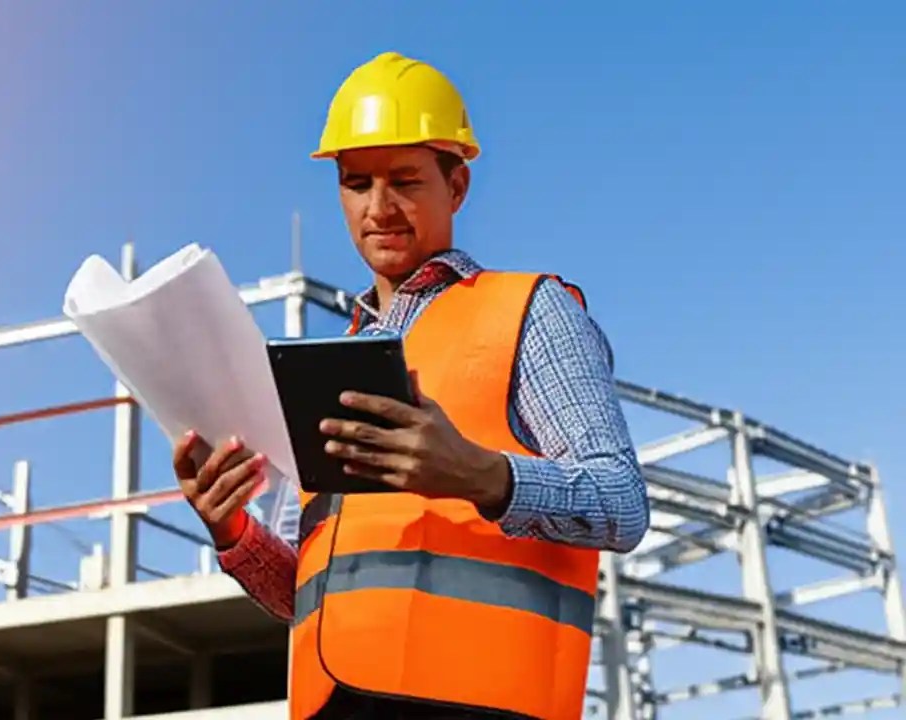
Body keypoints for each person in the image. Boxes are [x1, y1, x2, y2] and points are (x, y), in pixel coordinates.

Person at [171, 51, 649, 720]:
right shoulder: (329, 370)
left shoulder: (529, 312)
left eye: (404, 181)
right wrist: (232, 533)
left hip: (484, 705)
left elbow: (622, 503)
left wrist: (481, 475)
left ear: (457, 185)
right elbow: (304, 599)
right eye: (356, 183)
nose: (379, 208)